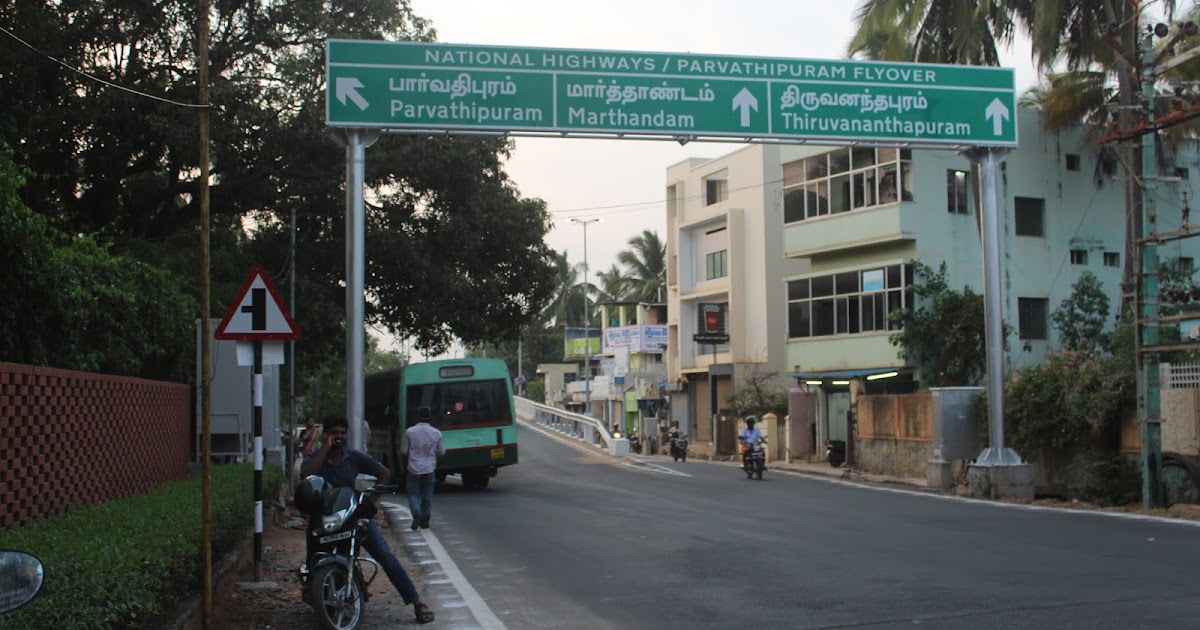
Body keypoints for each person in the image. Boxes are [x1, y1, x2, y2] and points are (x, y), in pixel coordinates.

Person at [301, 415, 435, 624]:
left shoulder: (353, 457)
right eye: (334, 433)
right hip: (325, 519)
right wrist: (324, 449)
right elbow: (305, 475)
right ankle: (314, 588)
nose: (338, 437)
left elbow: (384, 474)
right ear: (325, 435)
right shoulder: (315, 457)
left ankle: (417, 602)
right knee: (314, 556)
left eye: (342, 433)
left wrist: (370, 501)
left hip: (354, 515)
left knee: (385, 555)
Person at [401, 406, 445, 531]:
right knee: (427, 495)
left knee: (413, 493)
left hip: (413, 468)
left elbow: (404, 451)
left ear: (417, 416)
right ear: (430, 416)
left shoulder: (410, 431)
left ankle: (416, 514)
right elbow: (442, 451)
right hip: (429, 468)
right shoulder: (436, 433)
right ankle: (425, 520)